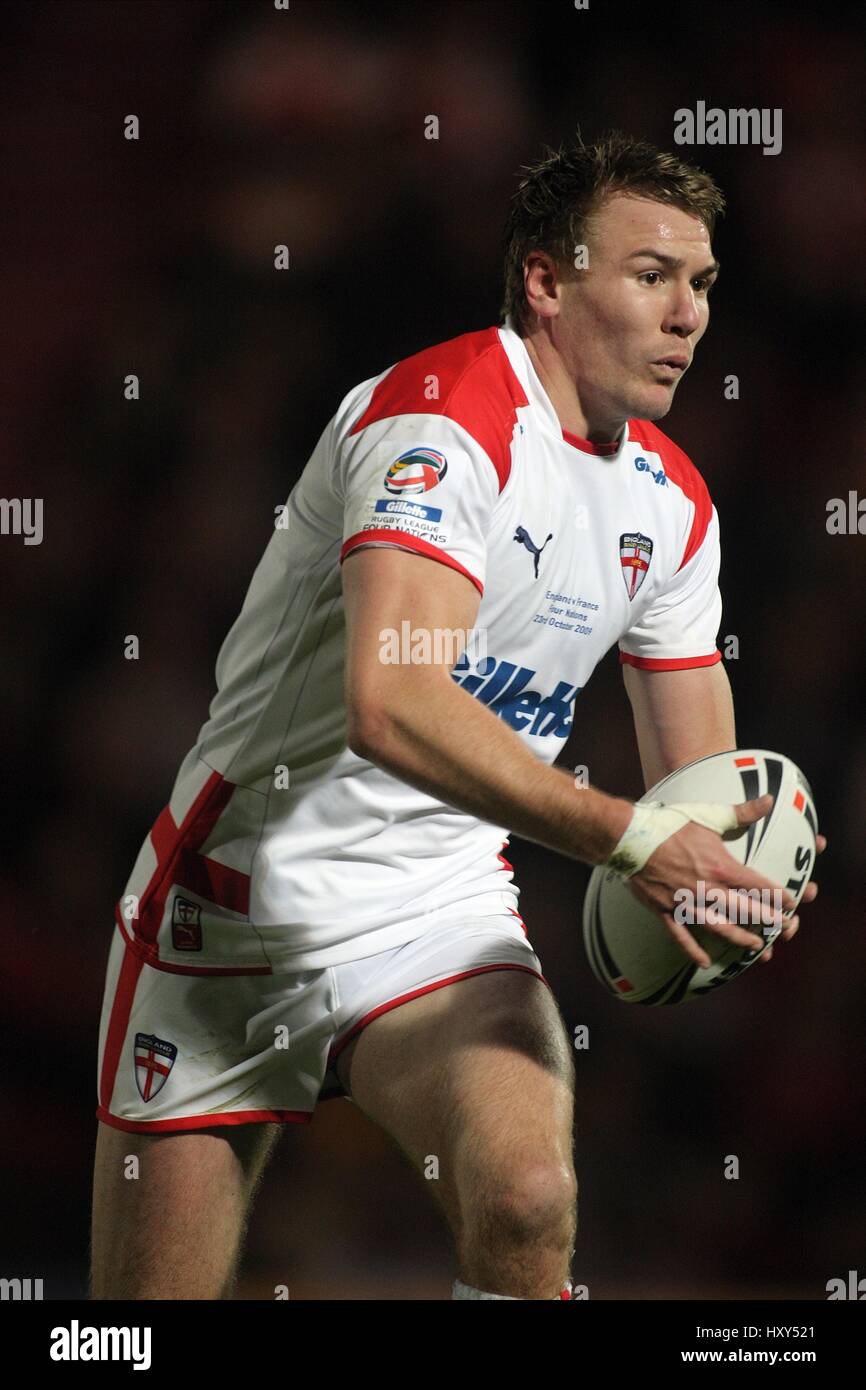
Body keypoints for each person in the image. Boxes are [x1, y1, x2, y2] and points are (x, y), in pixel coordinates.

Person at [90, 130, 824, 1301]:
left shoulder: (674, 505)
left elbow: (698, 786)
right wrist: (631, 838)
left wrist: (731, 871)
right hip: (230, 913)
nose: (688, 313)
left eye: (700, 284)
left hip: (434, 910)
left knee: (528, 1199)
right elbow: (390, 703)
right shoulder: (438, 420)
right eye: (649, 276)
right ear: (545, 279)